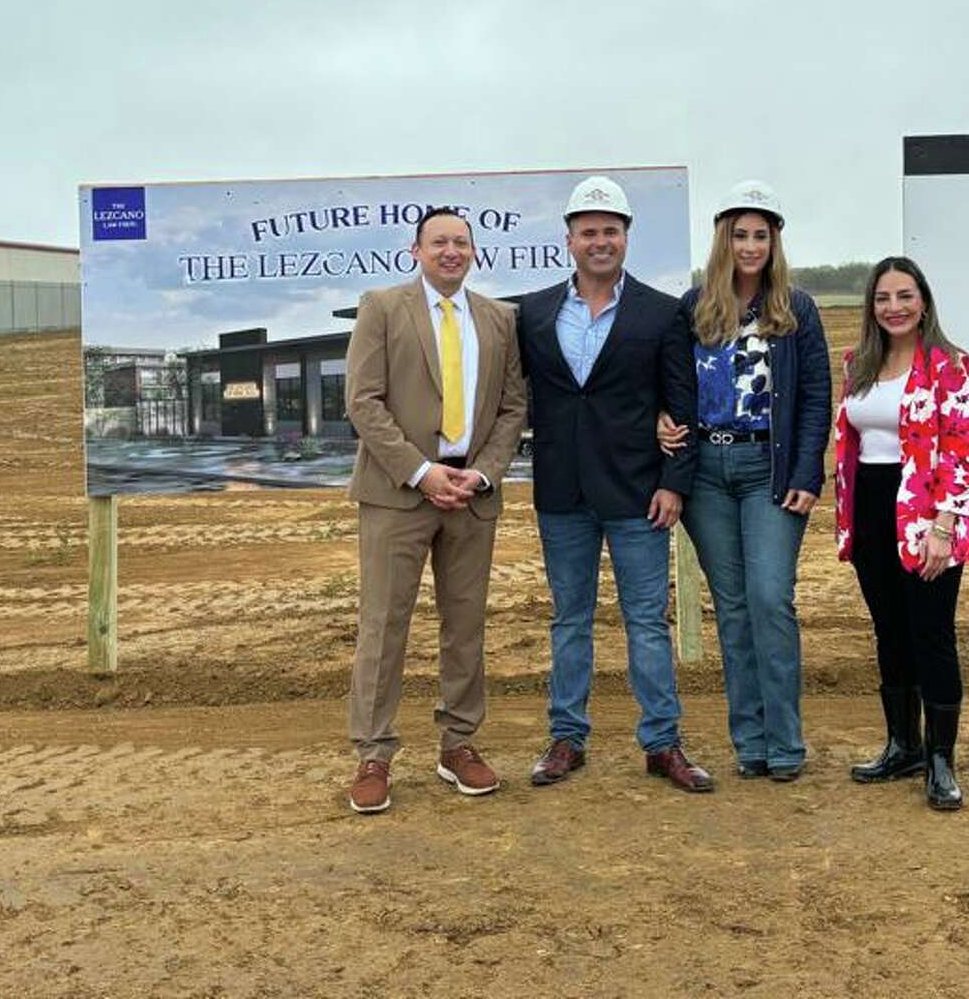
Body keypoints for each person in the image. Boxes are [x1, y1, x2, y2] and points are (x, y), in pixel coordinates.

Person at [515, 175, 711, 793]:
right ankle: (566, 738)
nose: (600, 241)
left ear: (626, 237)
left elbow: (682, 402)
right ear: (569, 241)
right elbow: (522, 395)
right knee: (569, 619)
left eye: (611, 231)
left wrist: (675, 483)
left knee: (646, 622)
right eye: (588, 232)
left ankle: (662, 743)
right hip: (562, 493)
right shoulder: (534, 312)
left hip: (637, 493)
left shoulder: (661, 312)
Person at [343, 207, 528, 815]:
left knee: (465, 625)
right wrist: (422, 473)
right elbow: (363, 401)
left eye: (461, 242)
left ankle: (459, 744)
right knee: (384, 625)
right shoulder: (382, 307)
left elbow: (512, 408)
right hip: (398, 493)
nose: (451, 251)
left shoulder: (499, 319)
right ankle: (374, 754)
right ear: (416, 250)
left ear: (474, 252)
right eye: (439, 242)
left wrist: (482, 472)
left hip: (471, 495)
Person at [656, 181, 831, 781]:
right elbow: (671, 384)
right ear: (722, 240)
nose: (750, 246)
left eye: (761, 235)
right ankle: (750, 744)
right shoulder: (694, 308)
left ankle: (786, 745)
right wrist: (661, 420)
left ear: (774, 242)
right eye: (740, 235)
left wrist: (807, 471)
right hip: (707, 472)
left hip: (769, 472)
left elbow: (815, 397)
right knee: (732, 609)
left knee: (769, 600)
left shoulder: (796, 310)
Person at [832, 256, 969, 810]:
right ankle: (904, 745)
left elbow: (961, 450)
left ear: (923, 301)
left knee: (931, 634)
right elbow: (851, 440)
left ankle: (941, 760)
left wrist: (944, 526)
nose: (893, 307)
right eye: (882, 298)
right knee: (889, 631)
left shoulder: (949, 364)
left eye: (904, 296)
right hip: (869, 509)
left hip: (925, 516)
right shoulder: (858, 363)